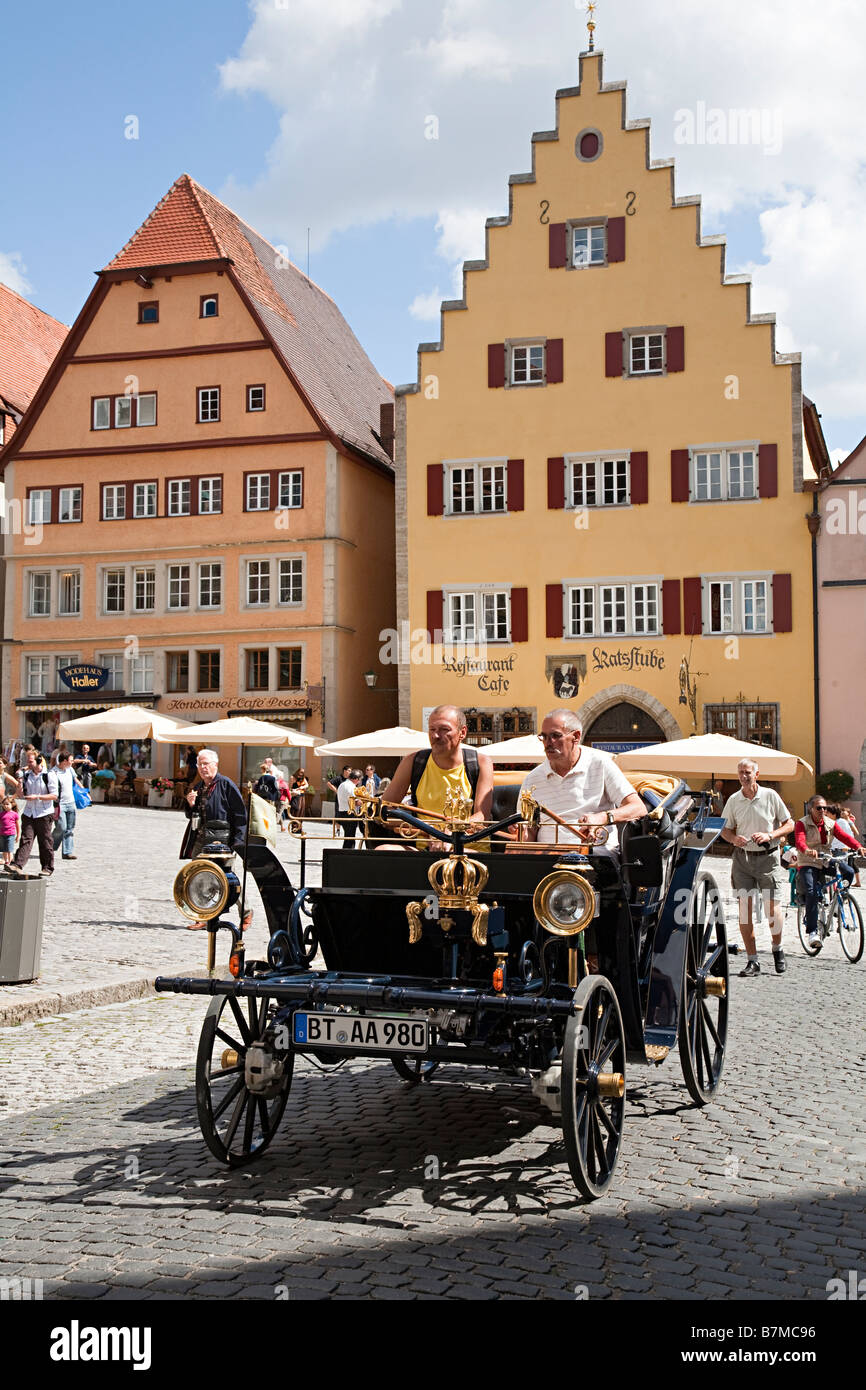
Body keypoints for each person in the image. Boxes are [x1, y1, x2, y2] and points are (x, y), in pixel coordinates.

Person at [516, 709, 644, 847]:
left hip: (595, 856)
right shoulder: (532, 779)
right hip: (548, 859)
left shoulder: (600, 764)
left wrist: (602, 817)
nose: (548, 743)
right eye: (544, 737)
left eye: (555, 736)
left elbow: (638, 808)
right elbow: (530, 833)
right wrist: (520, 833)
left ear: (576, 736)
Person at [719, 759, 795, 976]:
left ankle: (777, 949)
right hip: (742, 861)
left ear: (757, 774)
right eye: (741, 772)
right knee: (745, 912)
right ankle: (752, 961)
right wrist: (734, 839)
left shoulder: (770, 795)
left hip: (768, 859)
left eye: (748, 772)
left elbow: (789, 823)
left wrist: (770, 835)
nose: (744, 776)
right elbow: (724, 830)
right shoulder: (734, 800)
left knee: (773, 909)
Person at [384, 707, 494, 845]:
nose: (436, 735)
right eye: (432, 729)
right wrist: (428, 831)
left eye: (444, 729)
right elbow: (385, 810)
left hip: (469, 849)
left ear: (463, 732)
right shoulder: (412, 761)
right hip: (425, 849)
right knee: (384, 850)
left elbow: (481, 816)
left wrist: (452, 834)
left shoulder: (481, 762)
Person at [181, 749, 249, 930]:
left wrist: (238, 841)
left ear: (215, 765)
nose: (203, 768)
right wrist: (190, 804)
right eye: (200, 764)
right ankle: (202, 916)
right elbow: (193, 815)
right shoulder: (198, 787)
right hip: (200, 839)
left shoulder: (226, 785)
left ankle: (246, 911)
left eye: (206, 764)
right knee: (198, 876)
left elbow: (241, 814)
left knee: (226, 878)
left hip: (221, 841)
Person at [794, 795, 863, 951]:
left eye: (825, 808)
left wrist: (858, 847)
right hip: (808, 861)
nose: (822, 810)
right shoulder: (802, 823)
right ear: (811, 808)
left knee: (848, 871)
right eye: (819, 808)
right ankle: (812, 932)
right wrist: (806, 850)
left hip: (825, 858)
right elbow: (799, 840)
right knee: (811, 892)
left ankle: (841, 899)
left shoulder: (830, 823)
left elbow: (845, 837)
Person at [5, 749, 59, 878]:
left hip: (44, 813)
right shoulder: (27, 775)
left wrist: (38, 797)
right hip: (29, 812)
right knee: (26, 839)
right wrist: (20, 783)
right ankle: (17, 864)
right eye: (27, 761)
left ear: (39, 760)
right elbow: (21, 794)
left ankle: (47, 867)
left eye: (30, 761)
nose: (28, 764)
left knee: (45, 841)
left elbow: (54, 795)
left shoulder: (49, 775)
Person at [54, 751, 82, 860]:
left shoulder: (70, 769)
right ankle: (50, 846)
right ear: (64, 761)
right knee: (61, 827)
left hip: (71, 802)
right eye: (71, 760)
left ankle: (67, 852)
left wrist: (85, 792)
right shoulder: (54, 772)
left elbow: (76, 780)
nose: (72, 762)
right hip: (59, 804)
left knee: (69, 828)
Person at [831, 805, 862, 888]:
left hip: (848, 846)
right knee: (848, 866)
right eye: (841, 811)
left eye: (844, 811)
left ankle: (846, 888)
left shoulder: (845, 821)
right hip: (845, 846)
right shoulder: (842, 821)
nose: (842, 812)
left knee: (850, 866)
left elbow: (854, 833)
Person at [336, 769, 363, 849]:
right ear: (356, 779)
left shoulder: (342, 784)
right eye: (359, 780)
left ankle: (345, 853)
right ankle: (348, 855)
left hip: (342, 813)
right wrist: (364, 801)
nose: (359, 782)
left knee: (348, 836)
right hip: (350, 814)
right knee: (350, 837)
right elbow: (356, 802)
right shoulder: (351, 787)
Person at [0, 796, 20, 866]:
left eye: (7, 804)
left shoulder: (15, 814)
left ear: (12, 804)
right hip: (2, 834)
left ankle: (11, 862)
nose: (5, 806)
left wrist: (18, 836)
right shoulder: (1, 814)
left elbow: (17, 826)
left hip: (11, 834)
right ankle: (6, 862)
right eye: (4, 804)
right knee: (4, 850)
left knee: (10, 850)